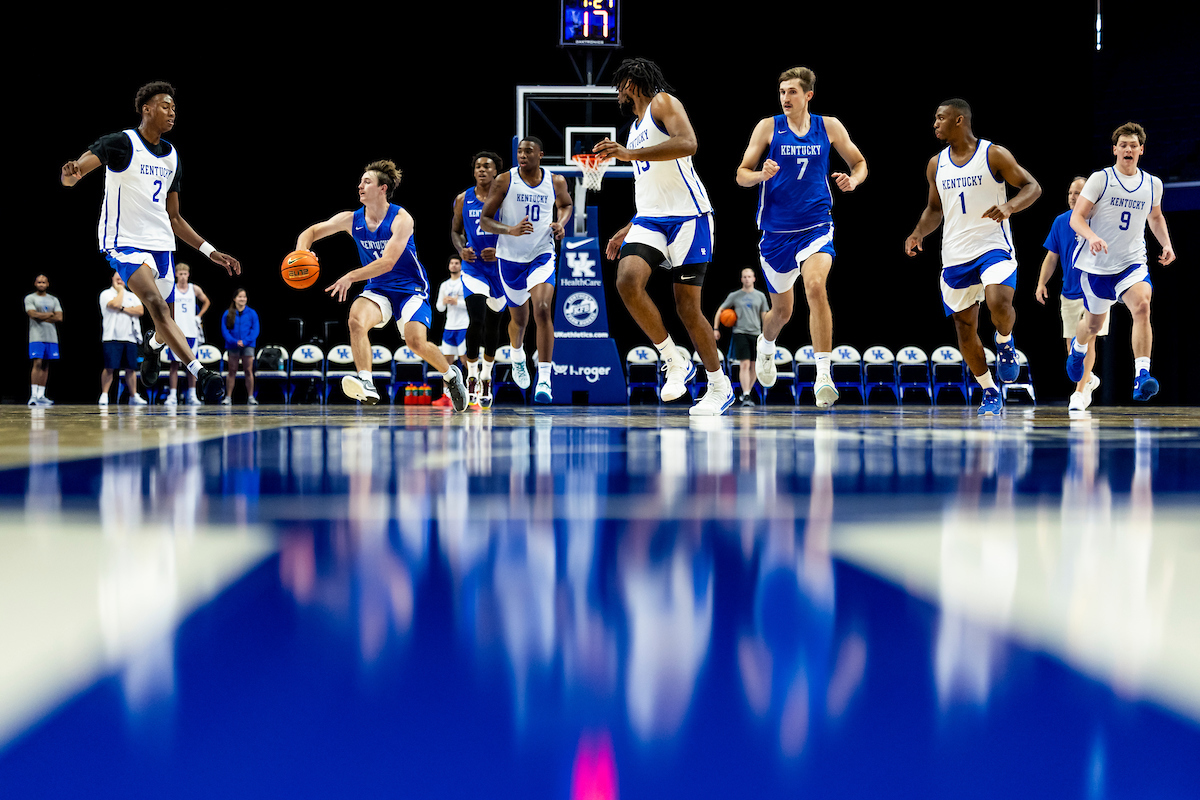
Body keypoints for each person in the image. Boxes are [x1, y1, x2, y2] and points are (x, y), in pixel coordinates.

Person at [59, 80, 237, 404]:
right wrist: (70, 174)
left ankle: (152, 347)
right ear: (147, 109)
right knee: (155, 305)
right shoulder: (122, 143)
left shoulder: (171, 156)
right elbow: (75, 173)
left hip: (162, 243)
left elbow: (175, 218)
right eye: (165, 106)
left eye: (174, 108)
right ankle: (202, 373)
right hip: (123, 241)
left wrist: (211, 252)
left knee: (163, 323)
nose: (172, 112)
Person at [593, 58, 731, 416]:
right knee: (627, 279)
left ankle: (719, 386)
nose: (618, 93)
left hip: (690, 217)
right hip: (651, 219)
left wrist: (629, 154)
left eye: (620, 84)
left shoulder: (663, 103)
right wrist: (629, 227)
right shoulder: (634, 127)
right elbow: (649, 188)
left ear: (632, 81)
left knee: (687, 308)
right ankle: (674, 360)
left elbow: (688, 143)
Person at [736, 66, 868, 409]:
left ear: (808, 95)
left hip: (816, 226)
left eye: (791, 92)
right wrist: (759, 173)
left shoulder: (829, 126)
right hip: (776, 234)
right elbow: (740, 175)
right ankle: (766, 346)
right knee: (781, 312)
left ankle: (823, 374)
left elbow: (860, 163)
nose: (785, 98)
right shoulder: (768, 127)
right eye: (781, 92)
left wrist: (853, 181)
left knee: (815, 287)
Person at [904, 99, 1041, 416]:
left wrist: (1008, 207)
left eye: (940, 118)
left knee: (998, 302)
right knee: (964, 328)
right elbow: (935, 209)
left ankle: (1004, 341)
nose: (934, 123)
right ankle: (990, 391)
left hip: (992, 245)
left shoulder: (993, 154)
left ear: (959, 120)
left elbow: (1032, 187)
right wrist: (917, 233)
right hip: (954, 253)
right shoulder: (935, 164)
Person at [295, 159, 467, 410]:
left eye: (367, 182)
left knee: (415, 342)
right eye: (360, 182)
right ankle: (366, 381)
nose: (360, 186)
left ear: (382, 188)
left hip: (411, 289)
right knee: (355, 320)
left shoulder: (401, 219)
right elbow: (310, 232)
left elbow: (388, 262)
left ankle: (450, 376)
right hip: (378, 289)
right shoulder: (351, 219)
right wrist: (302, 254)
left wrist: (350, 276)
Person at [1067, 122, 1175, 401]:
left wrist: (1166, 243)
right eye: (1123, 145)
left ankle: (1142, 376)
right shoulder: (1101, 179)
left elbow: (1156, 216)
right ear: (1115, 149)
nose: (1129, 149)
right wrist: (1091, 237)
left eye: (1133, 145)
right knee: (1092, 325)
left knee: (1142, 305)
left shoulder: (1153, 184)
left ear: (1142, 149)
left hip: (1131, 263)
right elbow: (1076, 217)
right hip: (1097, 266)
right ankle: (1078, 349)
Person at [480, 137, 573, 404]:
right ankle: (517, 354)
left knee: (542, 309)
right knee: (519, 321)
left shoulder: (555, 181)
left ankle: (545, 377)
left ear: (540, 154)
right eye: (519, 151)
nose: (522, 155)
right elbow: (486, 220)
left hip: (541, 254)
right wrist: (509, 229)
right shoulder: (504, 181)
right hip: (509, 258)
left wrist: (560, 222)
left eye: (528, 151)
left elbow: (565, 205)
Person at [1035, 177, 1108, 410]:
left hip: (1095, 291)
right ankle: (1087, 380)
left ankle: (1078, 393)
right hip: (1069, 292)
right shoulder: (1060, 222)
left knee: (1088, 339)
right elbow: (1052, 257)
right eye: (1070, 193)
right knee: (1072, 347)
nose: (1073, 197)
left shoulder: (1099, 221)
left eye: (1078, 193)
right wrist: (1041, 283)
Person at [451, 151, 509, 407]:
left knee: (494, 325)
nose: (482, 169)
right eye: (477, 166)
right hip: (474, 268)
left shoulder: (506, 200)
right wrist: (461, 248)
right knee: (476, 319)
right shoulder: (463, 199)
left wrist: (500, 251)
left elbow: (518, 232)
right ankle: (471, 375)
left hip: (500, 269)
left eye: (487, 166)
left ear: (496, 171)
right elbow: (455, 231)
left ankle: (486, 376)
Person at [713, 268, 770, 406]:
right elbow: (720, 310)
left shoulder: (760, 296)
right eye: (744, 276)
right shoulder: (735, 295)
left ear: (754, 278)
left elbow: (765, 316)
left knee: (755, 366)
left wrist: (767, 334)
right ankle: (746, 394)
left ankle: (747, 393)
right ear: (741, 279)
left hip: (756, 334)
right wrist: (715, 328)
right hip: (740, 333)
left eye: (749, 276)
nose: (747, 279)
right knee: (744, 364)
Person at [164, 262, 210, 406]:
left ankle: (192, 394)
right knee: (174, 365)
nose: (183, 276)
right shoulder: (172, 289)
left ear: (188, 275)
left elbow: (206, 301)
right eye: (181, 274)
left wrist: (199, 316)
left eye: (185, 274)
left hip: (191, 332)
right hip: (176, 332)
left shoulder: (194, 289)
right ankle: (172, 395)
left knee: (192, 365)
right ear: (176, 274)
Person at [98, 272, 146, 406]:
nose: (119, 281)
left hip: (130, 337)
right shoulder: (106, 294)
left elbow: (140, 311)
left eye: (122, 279)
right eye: (117, 279)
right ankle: (104, 395)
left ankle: (133, 395)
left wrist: (123, 308)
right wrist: (120, 291)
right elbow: (113, 305)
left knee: (131, 368)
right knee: (110, 367)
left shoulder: (133, 295)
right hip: (112, 337)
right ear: (112, 279)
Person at [433, 256, 470, 407]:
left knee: (465, 360)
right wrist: (444, 302)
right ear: (448, 266)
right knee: (446, 362)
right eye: (452, 263)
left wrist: (457, 302)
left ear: (461, 265)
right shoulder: (444, 285)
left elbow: (471, 305)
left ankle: (476, 392)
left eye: (457, 263)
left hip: (464, 326)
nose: (454, 265)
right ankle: (446, 395)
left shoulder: (466, 282)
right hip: (449, 327)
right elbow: (439, 308)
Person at [25, 274, 62, 406]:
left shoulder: (53, 299)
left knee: (46, 365)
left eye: (43, 282)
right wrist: (50, 315)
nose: (41, 284)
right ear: (35, 283)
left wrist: (42, 317)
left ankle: (41, 395)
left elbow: (59, 317)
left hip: (51, 337)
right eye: (39, 282)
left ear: (47, 284)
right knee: (38, 363)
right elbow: (32, 314)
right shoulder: (30, 298)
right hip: (37, 336)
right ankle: (33, 395)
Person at [220, 288, 259, 405]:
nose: (242, 299)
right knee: (232, 371)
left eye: (244, 297)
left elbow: (255, 330)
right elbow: (224, 330)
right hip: (233, 345)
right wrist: (234, 341)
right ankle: (228, 397)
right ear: (234, 299)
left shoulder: (252, 313)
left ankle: (251, 397)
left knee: (248, 370)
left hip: (248, 345)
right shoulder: (227, 313)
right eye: (240, 297)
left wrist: (246, 341)